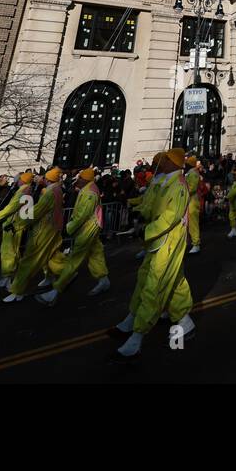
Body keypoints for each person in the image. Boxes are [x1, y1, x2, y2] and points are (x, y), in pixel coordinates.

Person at [114, 149, 195, 359]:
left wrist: (145, 230)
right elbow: (153, 207)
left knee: (154, 284)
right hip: (158, 240)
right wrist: (139, 213)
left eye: (165, 159)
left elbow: (170, 217)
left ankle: (138, 334)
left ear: (173, 163)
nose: (160, 163)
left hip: (168, 241)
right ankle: (183, 320)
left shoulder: (178, 186)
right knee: (162, 279)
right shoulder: (165, 183)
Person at [38, 168, 110, 305]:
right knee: (95, 253)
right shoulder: (89, 189)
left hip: (86, 228)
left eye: (80, 177)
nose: (78, 179)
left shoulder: (90, 192)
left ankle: (56, 290)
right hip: (88, 227)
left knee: (74, 259)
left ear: (85, 179)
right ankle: (103, 280)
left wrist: (70, 227)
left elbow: (83, 214)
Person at [4, 167, 64, 303]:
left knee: (28, 260)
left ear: (48, 179)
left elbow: (35, 212)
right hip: (51, 228)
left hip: (43, 230)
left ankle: (17, 290)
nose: (39, 178)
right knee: (52, 256)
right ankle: (66, 273)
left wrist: (17, 224)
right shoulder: (55, 190)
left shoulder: (48, 193)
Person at [0, 171, 34, 289]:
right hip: (18, 226)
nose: (17, 181)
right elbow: (28, 213)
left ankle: (8, 276)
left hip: (13, 226)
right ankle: (13, 275)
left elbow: (12, 207)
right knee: (14, 251)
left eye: (19, 179)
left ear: (23, 180)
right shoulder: (29, 191)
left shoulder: (22, 191)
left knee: (8, 251)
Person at [185, 156, 203, 254]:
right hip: (189, 201)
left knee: (193, 223)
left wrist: (182, 192)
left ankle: (196, 244)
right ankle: (191, 242)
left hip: (192, 201)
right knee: (188, 223)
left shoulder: (192, 173)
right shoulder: (191, 172)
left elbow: (192, 188)